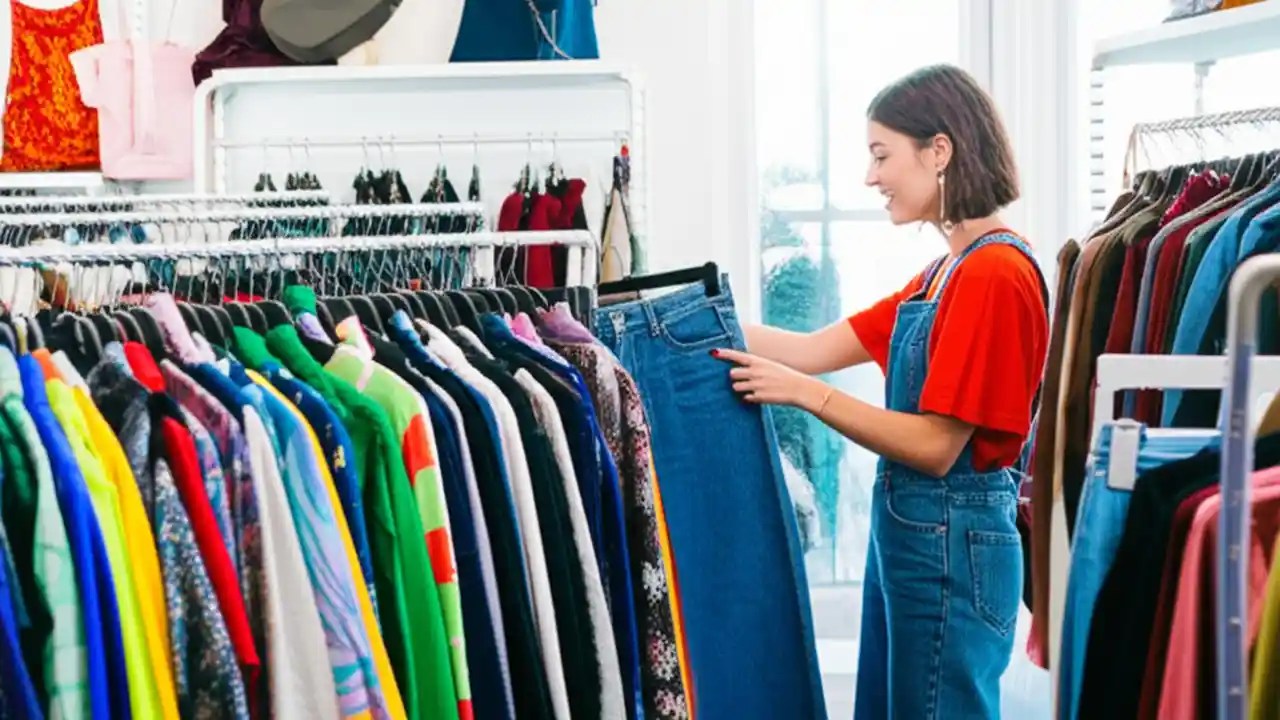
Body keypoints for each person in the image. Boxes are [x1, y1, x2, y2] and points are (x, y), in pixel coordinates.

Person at [714, 63, 1049, 719]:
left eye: (881, 155)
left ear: (940, 150)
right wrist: (688, 325)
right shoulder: (944, 273)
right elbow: (810, 349)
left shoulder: (996, 276)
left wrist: (805, 396)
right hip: (918, 536)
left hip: (950, 538)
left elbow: (935, 446)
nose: (871, 177)